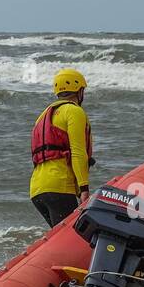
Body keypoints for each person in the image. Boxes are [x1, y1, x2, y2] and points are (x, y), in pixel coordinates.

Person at [29, 68, 93, 228]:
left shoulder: (42, 116)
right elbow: (78, 152)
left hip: (37, 190)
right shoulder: (74, 111)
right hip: (60, 187)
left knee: (62, 235)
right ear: (79, 91)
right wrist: (84, 189)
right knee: (75, 240)